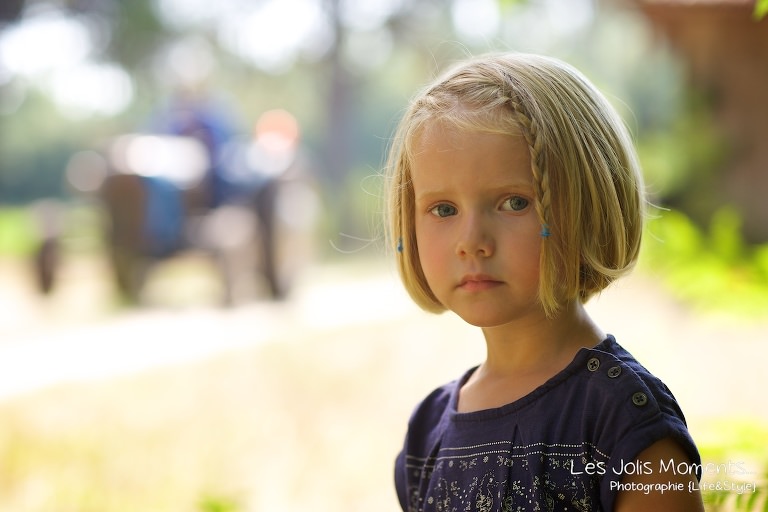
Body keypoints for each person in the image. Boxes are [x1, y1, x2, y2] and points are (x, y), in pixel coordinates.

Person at [385, 53, 704, 511]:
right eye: (444, 210)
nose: (471, 242)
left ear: (589, 205)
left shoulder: (621, 417)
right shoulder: (427, 431)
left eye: (514, 202)